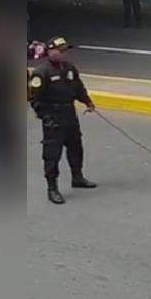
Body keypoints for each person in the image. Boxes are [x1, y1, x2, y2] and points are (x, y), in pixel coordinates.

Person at [27, 36, 97, 204]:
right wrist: (46, 117)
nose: (65, 54)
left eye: (66, 50)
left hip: (69, 113)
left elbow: (78, 87)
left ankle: (77, 177)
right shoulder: (41, 72)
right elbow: (34, 99)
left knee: (75, 147)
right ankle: (52, 188)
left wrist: (87, 101)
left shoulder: (69, 68)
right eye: (61, 50)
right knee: (52, 154)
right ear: (51, 51)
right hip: (53, 116)